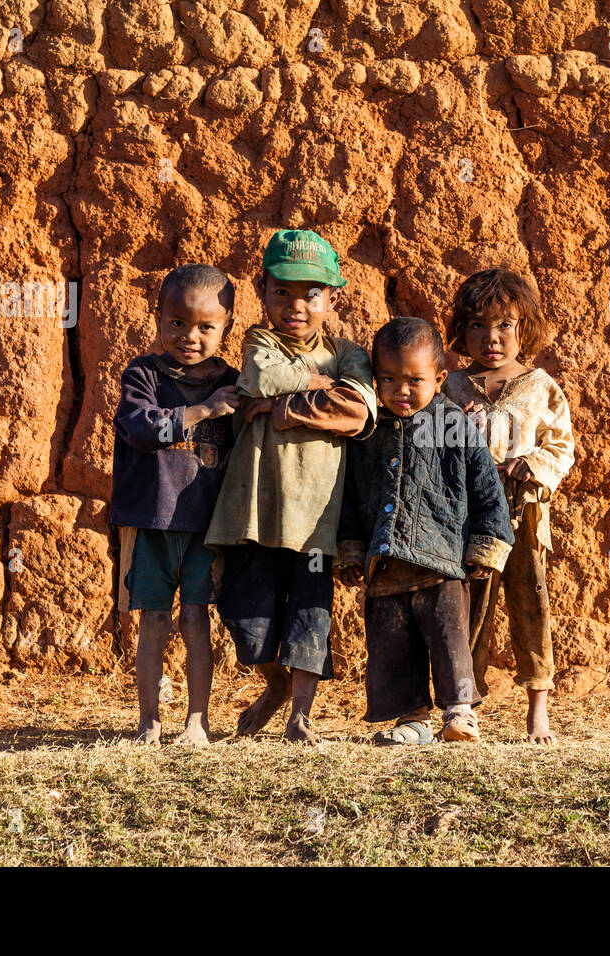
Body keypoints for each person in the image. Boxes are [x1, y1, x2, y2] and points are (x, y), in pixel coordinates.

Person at [205, 229, 377, 745]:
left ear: (333, 298)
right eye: (283, 291)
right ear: (263, 291)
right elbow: (259, 376)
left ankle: (300, 715)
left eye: (311, 294)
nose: (296, 305)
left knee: (310, 609)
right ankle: (274, 685)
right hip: (251, 511)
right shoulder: (259, 339)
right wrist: (319, 385)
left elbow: (359, 410)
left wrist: (282, 409)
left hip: (316, 518)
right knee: (244, 609)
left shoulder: (349, 353)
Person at [336, 317, 514, 745]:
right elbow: (353, 495)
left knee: (450, 638)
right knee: (393, 646)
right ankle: (412, 718)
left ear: (439, 379)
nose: (401, 390)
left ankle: (459, 712)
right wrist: (349, 550)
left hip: (442, 563)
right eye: (389, 379)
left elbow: (486, 488)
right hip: (386, 564)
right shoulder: (369, 430)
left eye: (414, 380)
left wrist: (486, 547)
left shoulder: (454, 425)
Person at [442, 268, 575, 745]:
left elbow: (562, 447)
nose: (490, 338)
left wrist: (531, 463)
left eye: (504, 325)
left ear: (526, 328)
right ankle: (464, 709)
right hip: (468, 520)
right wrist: (461, 431)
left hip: (523, 516)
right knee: (469, 610)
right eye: (477, 325)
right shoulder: (454, 388)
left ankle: (538, 711)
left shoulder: (540, 386)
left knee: (530, 606)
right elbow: (433, 450)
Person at [111, 264, 241, 746]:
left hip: (207, 528)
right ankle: (149, 721)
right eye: (177, 323)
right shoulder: (142, 374)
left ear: (226, 325)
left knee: (194, 619)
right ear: (159, 318)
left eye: (206, 326)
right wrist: (203, 410)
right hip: (153, 520)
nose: (190, 336)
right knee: (155, 620)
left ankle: (197, 722)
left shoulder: (234, 382)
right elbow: (141, 430)